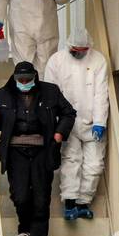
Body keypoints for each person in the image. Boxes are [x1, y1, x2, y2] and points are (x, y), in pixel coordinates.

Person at [0, 61, 76, 236]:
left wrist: (59, 134)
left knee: (41, 200)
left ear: (35, 77)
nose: (23, 83)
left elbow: (69, 113)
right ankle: (24, 225)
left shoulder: (50, 91)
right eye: (20, 80)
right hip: (15, 151)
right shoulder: (3, 94)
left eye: (27, 79)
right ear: (14, 79)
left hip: (43, 151)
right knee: (21, 195)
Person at [43, 27, 109, 221]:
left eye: (82, 51)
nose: (78, 54)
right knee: (71, 161)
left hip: (92, 121)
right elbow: (50, 92)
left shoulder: (98, 60)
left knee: (95, 164)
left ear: (88, 48)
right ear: (69, 46)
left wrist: (99, 121)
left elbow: (101, 93)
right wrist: (54, 122)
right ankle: (70, 203)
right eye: (75, 51)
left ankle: (84, 202)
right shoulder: (57, 61)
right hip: (66, 122)